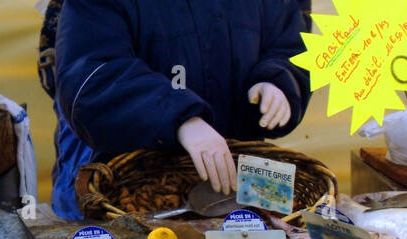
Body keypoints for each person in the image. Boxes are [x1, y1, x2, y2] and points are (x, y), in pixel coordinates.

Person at [50, 0, 312, 219]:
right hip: (139, 192)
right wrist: (179, 118)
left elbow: (291, 43)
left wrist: (280, 79)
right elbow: (90, 76)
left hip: (239, 192)